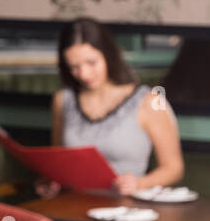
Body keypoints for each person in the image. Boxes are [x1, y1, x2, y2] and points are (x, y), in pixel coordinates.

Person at [38, 18, 183, 198]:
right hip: (73, 206)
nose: (83, 74)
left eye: (91, 63)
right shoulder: (62, 100)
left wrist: (140, 183)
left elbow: (174, 168)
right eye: (74, 67)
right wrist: (51, 182)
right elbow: (58, 164)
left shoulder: (149, 101)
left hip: (127, 209)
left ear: (108, 54)